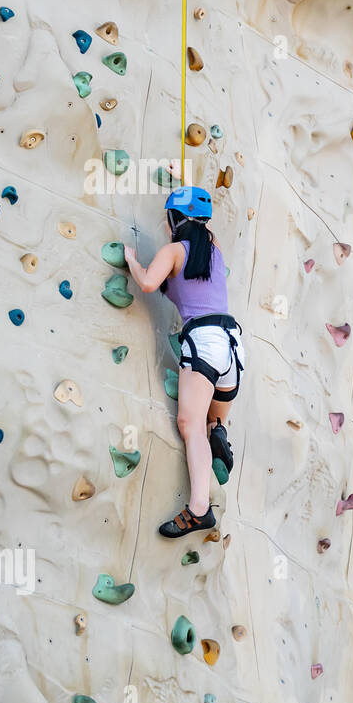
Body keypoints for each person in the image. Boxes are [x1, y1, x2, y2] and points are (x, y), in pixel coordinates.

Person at [124, 187, 244, 537]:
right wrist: (185, 188)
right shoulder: (215, 251)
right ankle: (218, 432)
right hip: (232, 345)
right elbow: (198, 224)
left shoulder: (175, 250)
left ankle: (198, 510)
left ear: (173, 219)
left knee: (189, 425)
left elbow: (148, 283)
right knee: (207, 425)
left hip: (203, 342)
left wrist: (132, 260)